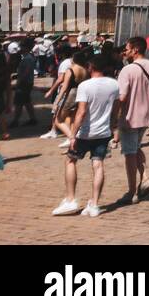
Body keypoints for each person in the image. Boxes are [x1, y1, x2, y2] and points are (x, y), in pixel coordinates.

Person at [53, 50, 120, 217]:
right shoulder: (114, 85)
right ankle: (95, 204)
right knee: (98, 165)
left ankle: (70, 199)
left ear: (91, 67)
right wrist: (113, 126)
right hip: (103, 132)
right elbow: (116, 109)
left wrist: (72, 135)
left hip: (85, 133)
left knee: (70, 160)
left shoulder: (85, 86)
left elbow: (81, 113)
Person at [116, 37, 149, 204]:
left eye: (127, 49)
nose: (125, 52)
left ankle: (131, 191)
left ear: (135, 50)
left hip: (129, 117)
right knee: (135, 148)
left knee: (129, 153)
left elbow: (121, 97)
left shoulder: (127, 70)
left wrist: (112, 115)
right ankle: (145, 178)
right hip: (147, 116)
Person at [9, 41, 37, 129]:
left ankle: (15, 121)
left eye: (22, 47)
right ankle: (32, 119)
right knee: (26, 101)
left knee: (18, 102)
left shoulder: (27, 58)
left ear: (26, 48)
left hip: (24, 83)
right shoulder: (26, 57)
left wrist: (18, 82)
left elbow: (25, 72)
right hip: (26, 82)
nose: (20, 49)